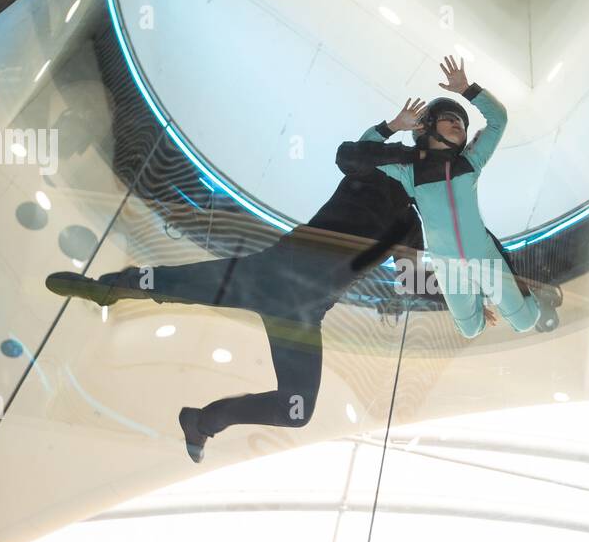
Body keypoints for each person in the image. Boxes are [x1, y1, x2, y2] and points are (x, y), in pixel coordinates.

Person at [45, 100, 436, 464]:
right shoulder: (374, 170)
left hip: (302, 311)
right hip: (276, 271)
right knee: (176, 284)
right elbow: (349, 154)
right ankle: (106, 288)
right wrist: (392, 128)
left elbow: (414, 280)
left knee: (296, 410)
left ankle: (204, 421)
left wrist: (462, 298)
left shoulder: (410, 224)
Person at [335, 56, 560, 339]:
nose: (458, 124)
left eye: (462, 122)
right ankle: (479, 301)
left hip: (484, 256)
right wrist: (393, 125)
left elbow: (498, 120)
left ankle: (532, 296)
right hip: (447, 267)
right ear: (426, 127)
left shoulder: (470, 161)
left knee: (526, 321)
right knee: (470, 330)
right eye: (449, 118)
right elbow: (363, 152)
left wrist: (467, 89)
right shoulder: (409, 172)